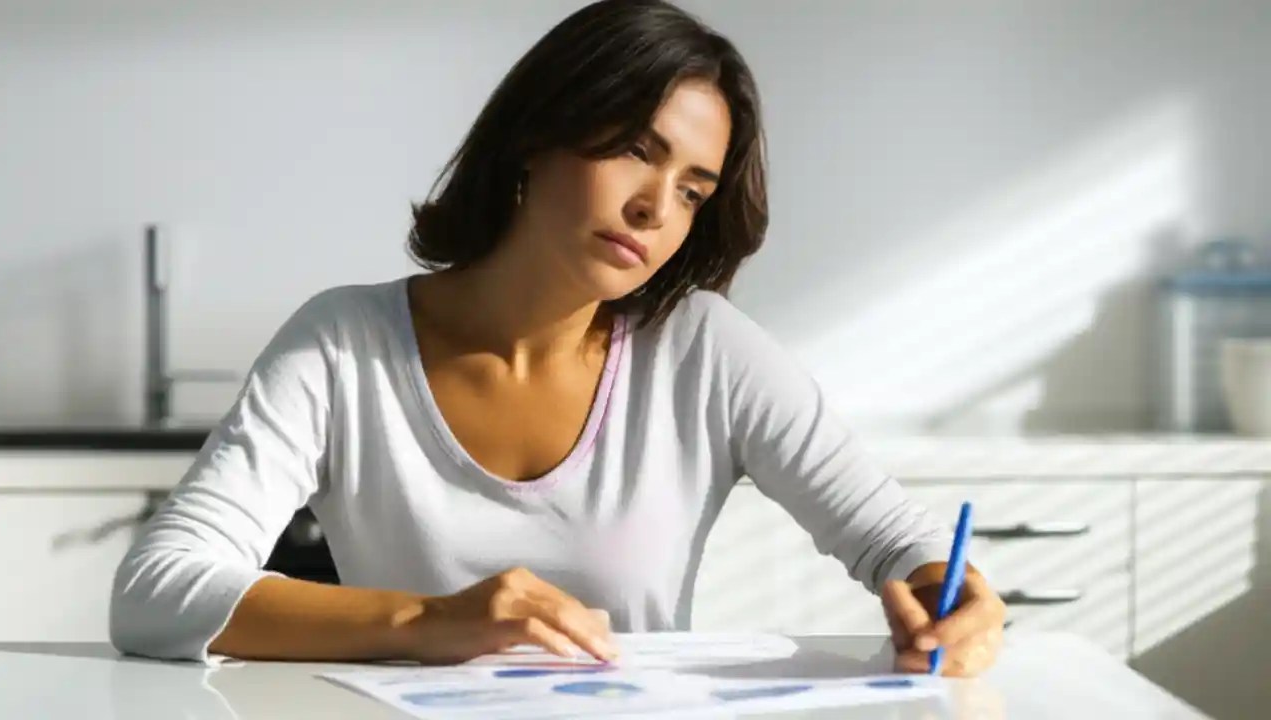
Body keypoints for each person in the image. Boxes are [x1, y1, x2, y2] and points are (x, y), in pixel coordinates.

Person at [110, 0, 1005, 676]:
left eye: (694, 190)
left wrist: (952, 600)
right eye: (633, 151)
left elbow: (898, 543)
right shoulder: (345, 344)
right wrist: (430, 622)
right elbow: (154, 593)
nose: (657, 209)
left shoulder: (704, 352)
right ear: (537, 139)